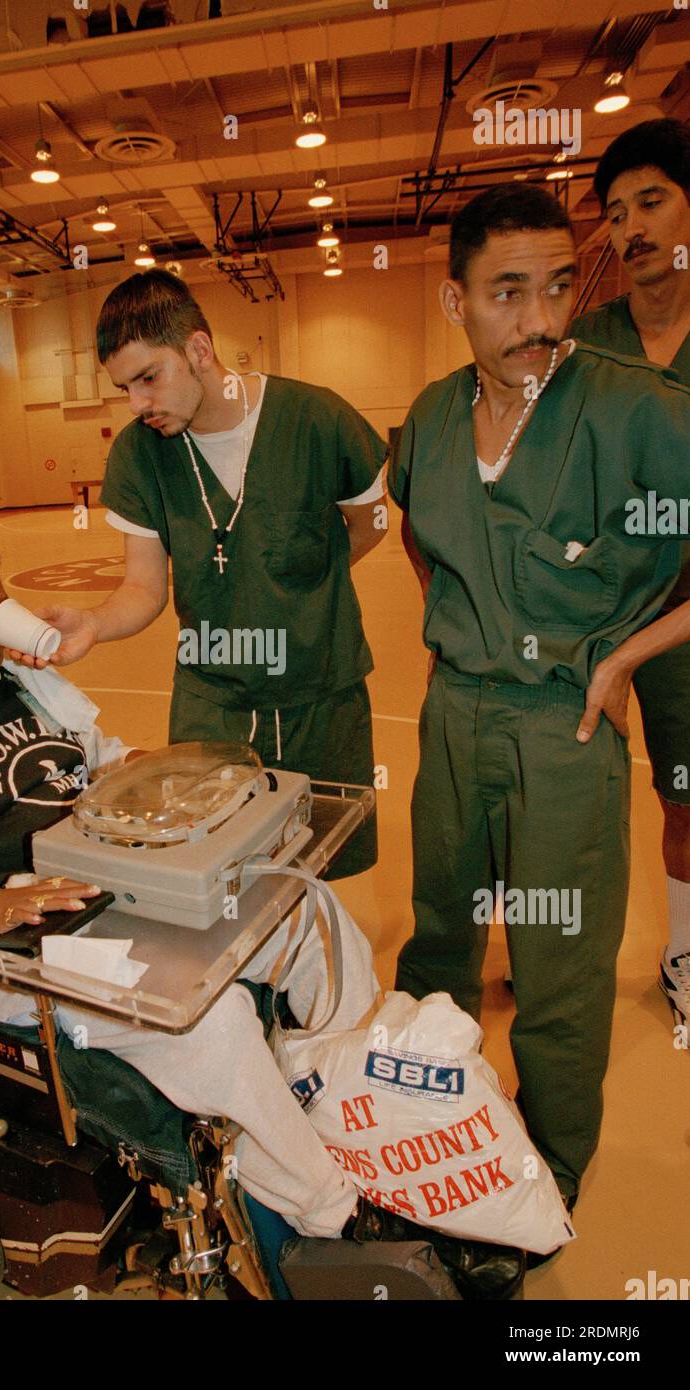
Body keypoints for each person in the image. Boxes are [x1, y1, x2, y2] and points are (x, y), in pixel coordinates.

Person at [0, 523, 393, 1250]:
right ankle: (331, 1208)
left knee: (310, 912)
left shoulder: (16, 680)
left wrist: (141, 769)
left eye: (0, 606)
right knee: (212, 1021)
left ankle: (361, 1107)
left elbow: (89, 757)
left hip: (109, 882)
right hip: (6, 944)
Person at [388, 184, 690, 1238]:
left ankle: (546, 1183)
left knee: (558, 972)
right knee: (437, 942)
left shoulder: (636, 409)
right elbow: (422, 529)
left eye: (557, 287)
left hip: (565, 730)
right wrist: (465, 629)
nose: (538, 321)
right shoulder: (428, 416)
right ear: (453, 301)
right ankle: (431, 1134)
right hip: (454, 717)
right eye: (506, 293)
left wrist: (618, 665)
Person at [7, 270, 387, 880]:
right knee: (215, 872)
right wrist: (94, 623)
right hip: (213, 705)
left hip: (323, 689)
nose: (137, 404)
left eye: (148, 378)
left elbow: (368, 527)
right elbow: (143, 587)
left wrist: (296, 590)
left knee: (320, 866)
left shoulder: (319, 420)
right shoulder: (140, 454)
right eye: (124, 387)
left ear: (199, 350)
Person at [569, 118, 690, 1034]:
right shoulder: (588, 342)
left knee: (687, 799)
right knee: (563, 797)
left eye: (651, 201)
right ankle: (552, 958)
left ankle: (683, 956)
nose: (631, 228)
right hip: (599, 609)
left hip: (683, 618)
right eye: (615, 213)